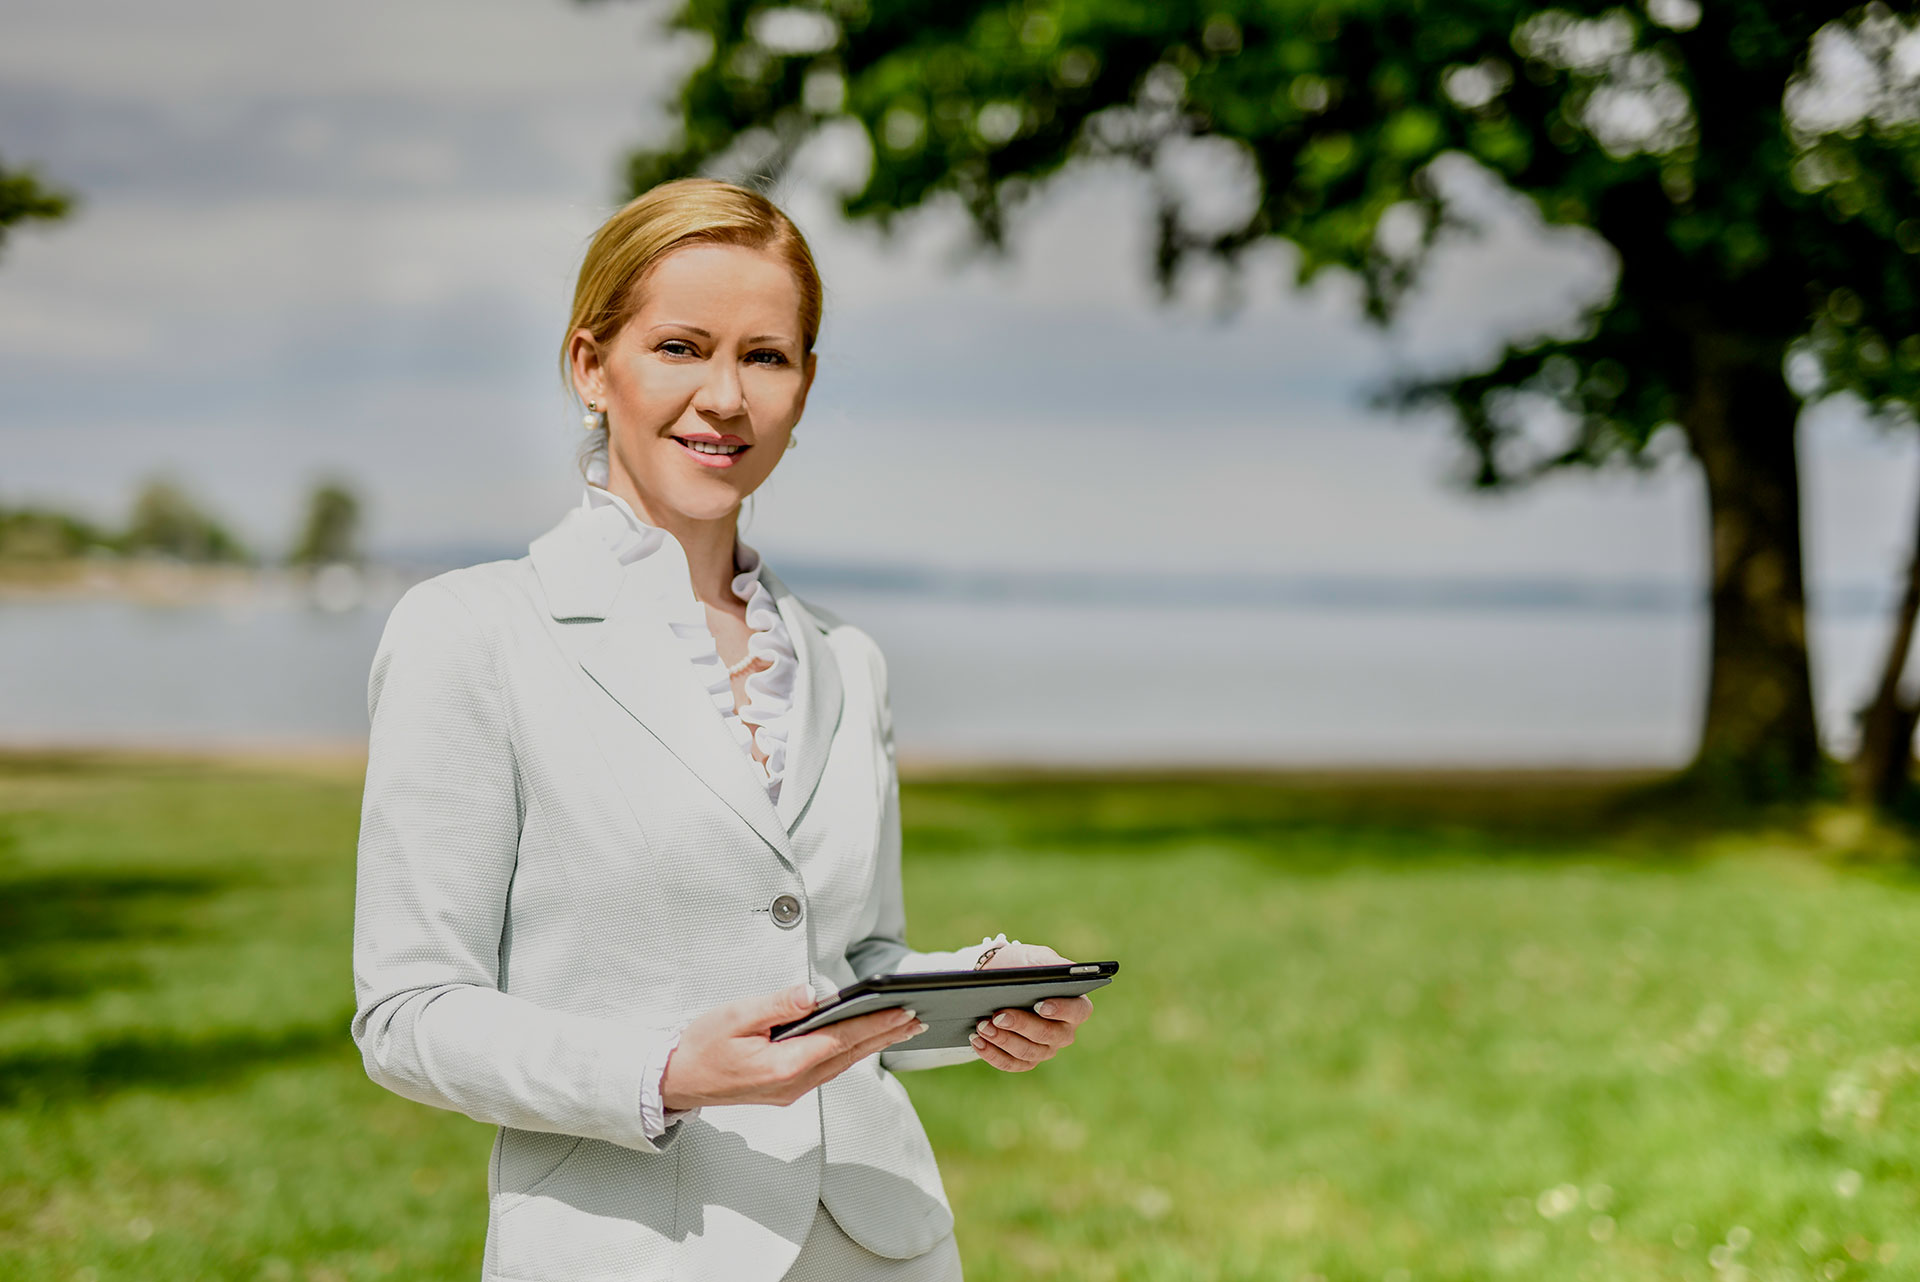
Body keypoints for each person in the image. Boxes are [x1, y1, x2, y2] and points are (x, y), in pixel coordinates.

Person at [350, 178, 1096, 1282]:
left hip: (881, 1250)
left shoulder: (845, 659)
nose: (726, 396)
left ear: (804, 385)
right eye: (680, 347)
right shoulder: (471, 633)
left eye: (766, 356)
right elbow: (410, 1014)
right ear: (590, 366)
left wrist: (982, 991)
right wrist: (665, 1070)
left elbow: (852, 961)